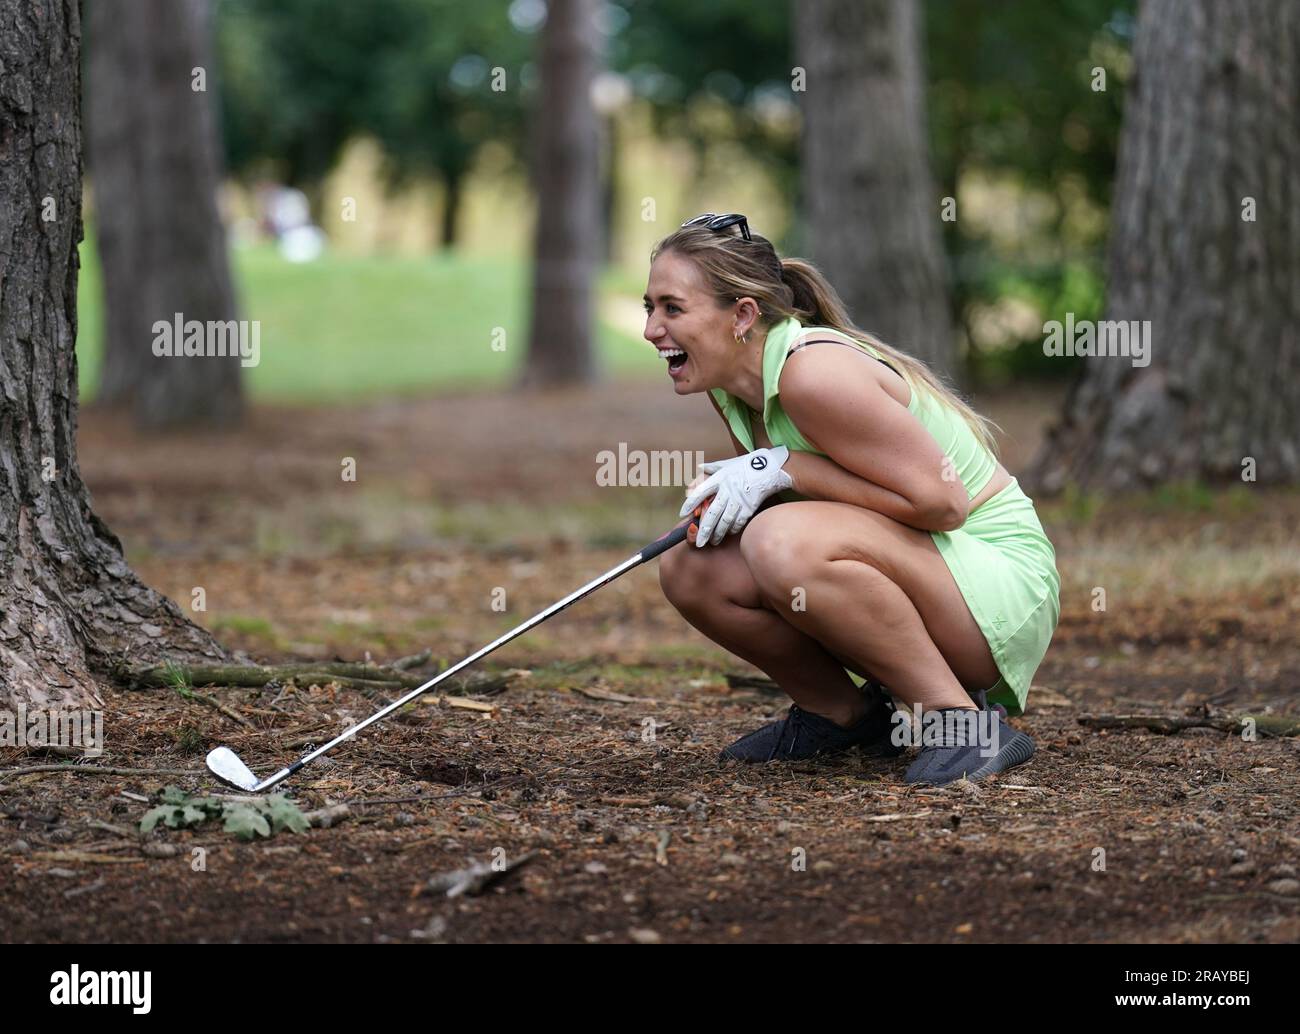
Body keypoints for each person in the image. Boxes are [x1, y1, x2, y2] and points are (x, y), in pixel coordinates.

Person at [647, 213, 1060, 785]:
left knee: (779, 541)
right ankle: (842, 716)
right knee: (691, 567)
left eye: (672, 308)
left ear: (742, 315)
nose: (651, 329)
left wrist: (780, 468)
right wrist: (741, 498)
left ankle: (961, 722)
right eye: (650, 307)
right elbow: (810, 495)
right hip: (924, 567)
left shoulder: (813, 374)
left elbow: (945, 506)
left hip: (995, 583)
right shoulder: (732, 390)